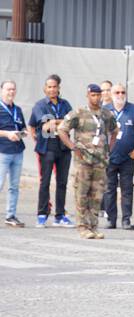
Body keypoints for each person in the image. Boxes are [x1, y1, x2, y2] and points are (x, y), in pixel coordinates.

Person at [57, 83, 118, 240]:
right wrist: (72, 146)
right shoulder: (79, 112)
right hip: (83, 160)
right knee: (82, 193)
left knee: (96, 195)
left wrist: (109, 150)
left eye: (98, 95)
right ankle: (82, 226)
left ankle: (93, 226)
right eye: (93, 95)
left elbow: (115, 131)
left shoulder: (106, 114)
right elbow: (62, 130)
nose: (96, 98)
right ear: (88, 95)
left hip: (100, 161)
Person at [29, 74, 74, 226]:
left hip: (64, 147)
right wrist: (59, 121)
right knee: (45, 181)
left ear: (59, 88)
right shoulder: (40, 105)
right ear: (45, 88)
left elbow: (73, 121)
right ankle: (42, 214)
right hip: (47, 147)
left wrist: (55, 121)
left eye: (55, 86)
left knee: (62, 182)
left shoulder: (65, 104)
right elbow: (44, 124)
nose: (52, 89)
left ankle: (60, 216)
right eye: (49, 87)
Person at [103, 83, 134, 230]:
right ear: (111, 94)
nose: (120, 95)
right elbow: (97, 132)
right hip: (109, 158)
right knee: (109, 189)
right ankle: (111, 219)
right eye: (117, 92)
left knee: (127, 189)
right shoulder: (105, 110)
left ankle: (126, 219)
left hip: (128, 158)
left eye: (123, 92)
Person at [0, 80, 27, 227]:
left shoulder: (18, 109)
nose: (11, 92)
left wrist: (23, 133)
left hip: (17, 151)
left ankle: (10, 216)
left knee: (14, 186)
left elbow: (22, 126)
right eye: (8, 89)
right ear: (1, 90)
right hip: (2, 151)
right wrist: (7, 134)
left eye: (13, 89)